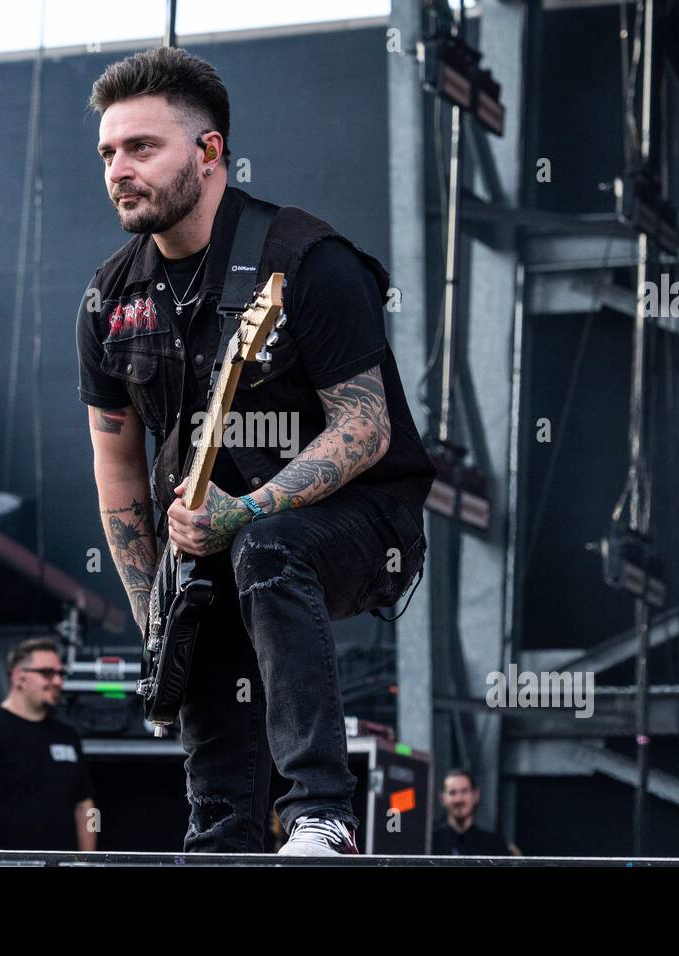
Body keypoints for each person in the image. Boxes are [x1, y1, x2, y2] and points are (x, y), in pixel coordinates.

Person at [77, 47, 435, 855]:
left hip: (358, 520)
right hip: (212, 533)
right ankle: (225, 833)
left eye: (141, 148)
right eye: (107, 153)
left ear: (209, 154)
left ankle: (323, 815)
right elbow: (118, 468)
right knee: (194, 601)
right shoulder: (110, 298)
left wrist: (252, 507)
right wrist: (153, 615)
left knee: (265, 549)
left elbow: (365, 426)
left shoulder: (306, 260)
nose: (118, 170)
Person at [0, 639, 97, 851]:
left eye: (61, 674)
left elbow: (84, 805)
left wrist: (87, 863)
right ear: (19, 677)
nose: (58, 681)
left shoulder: (67, 736)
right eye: (48, 673)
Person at [432, 769, 518, 856]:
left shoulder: (495, 845)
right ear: (442, 798)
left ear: (476, 795)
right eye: (452, 793)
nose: (459, 799)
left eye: (464, 791)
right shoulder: (430, 843)